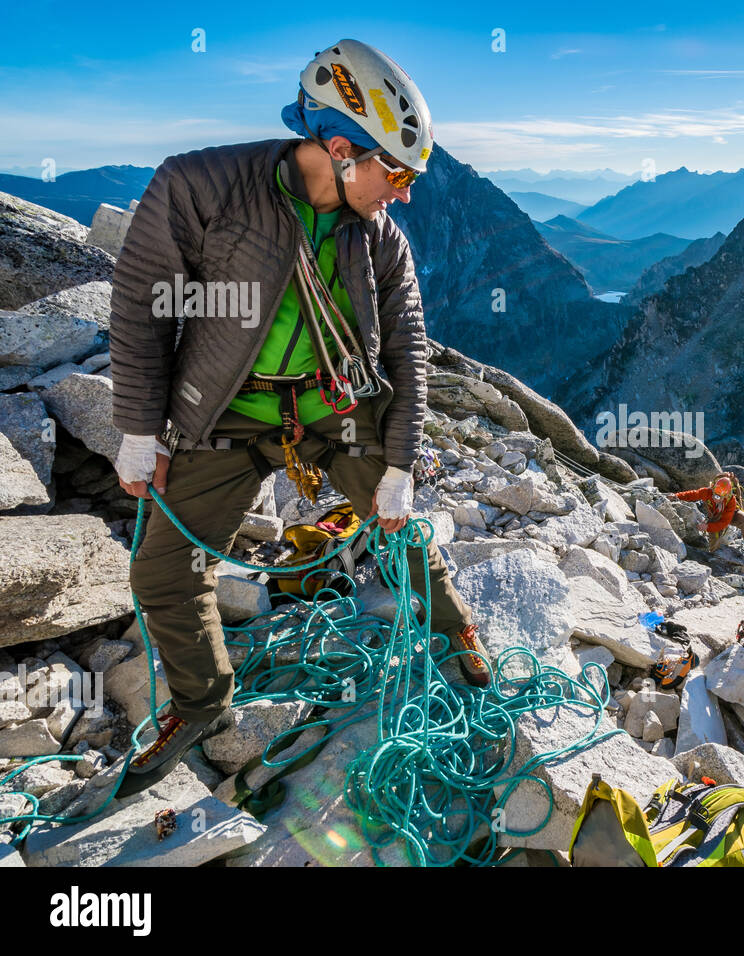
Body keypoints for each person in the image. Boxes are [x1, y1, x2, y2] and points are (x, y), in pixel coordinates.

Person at [108, 39, 491, 797]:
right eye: (399, 173)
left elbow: (409, 354)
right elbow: (142, 305)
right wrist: (137, 429)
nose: (406, 194)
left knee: (397, 529)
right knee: (161, 571)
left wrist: (401, 468)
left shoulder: (380, 240)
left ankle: (455, 633)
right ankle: (201, 701)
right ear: (342, 150)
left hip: (332, 409)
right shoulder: (201, 187)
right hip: (223, 410)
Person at [673, 473, 742, 551]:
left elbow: (724, 522)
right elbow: (692, 494)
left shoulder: (731, 501)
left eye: (718, 497)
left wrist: (708, 527)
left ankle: (713, 553)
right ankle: (711, 550)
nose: (715, 498)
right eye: (714, 494)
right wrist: (676, 496)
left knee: (716, 535)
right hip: (714, 515)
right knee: (714, 532)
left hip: (723, 518)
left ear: (725, 496)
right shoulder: (708, 492)